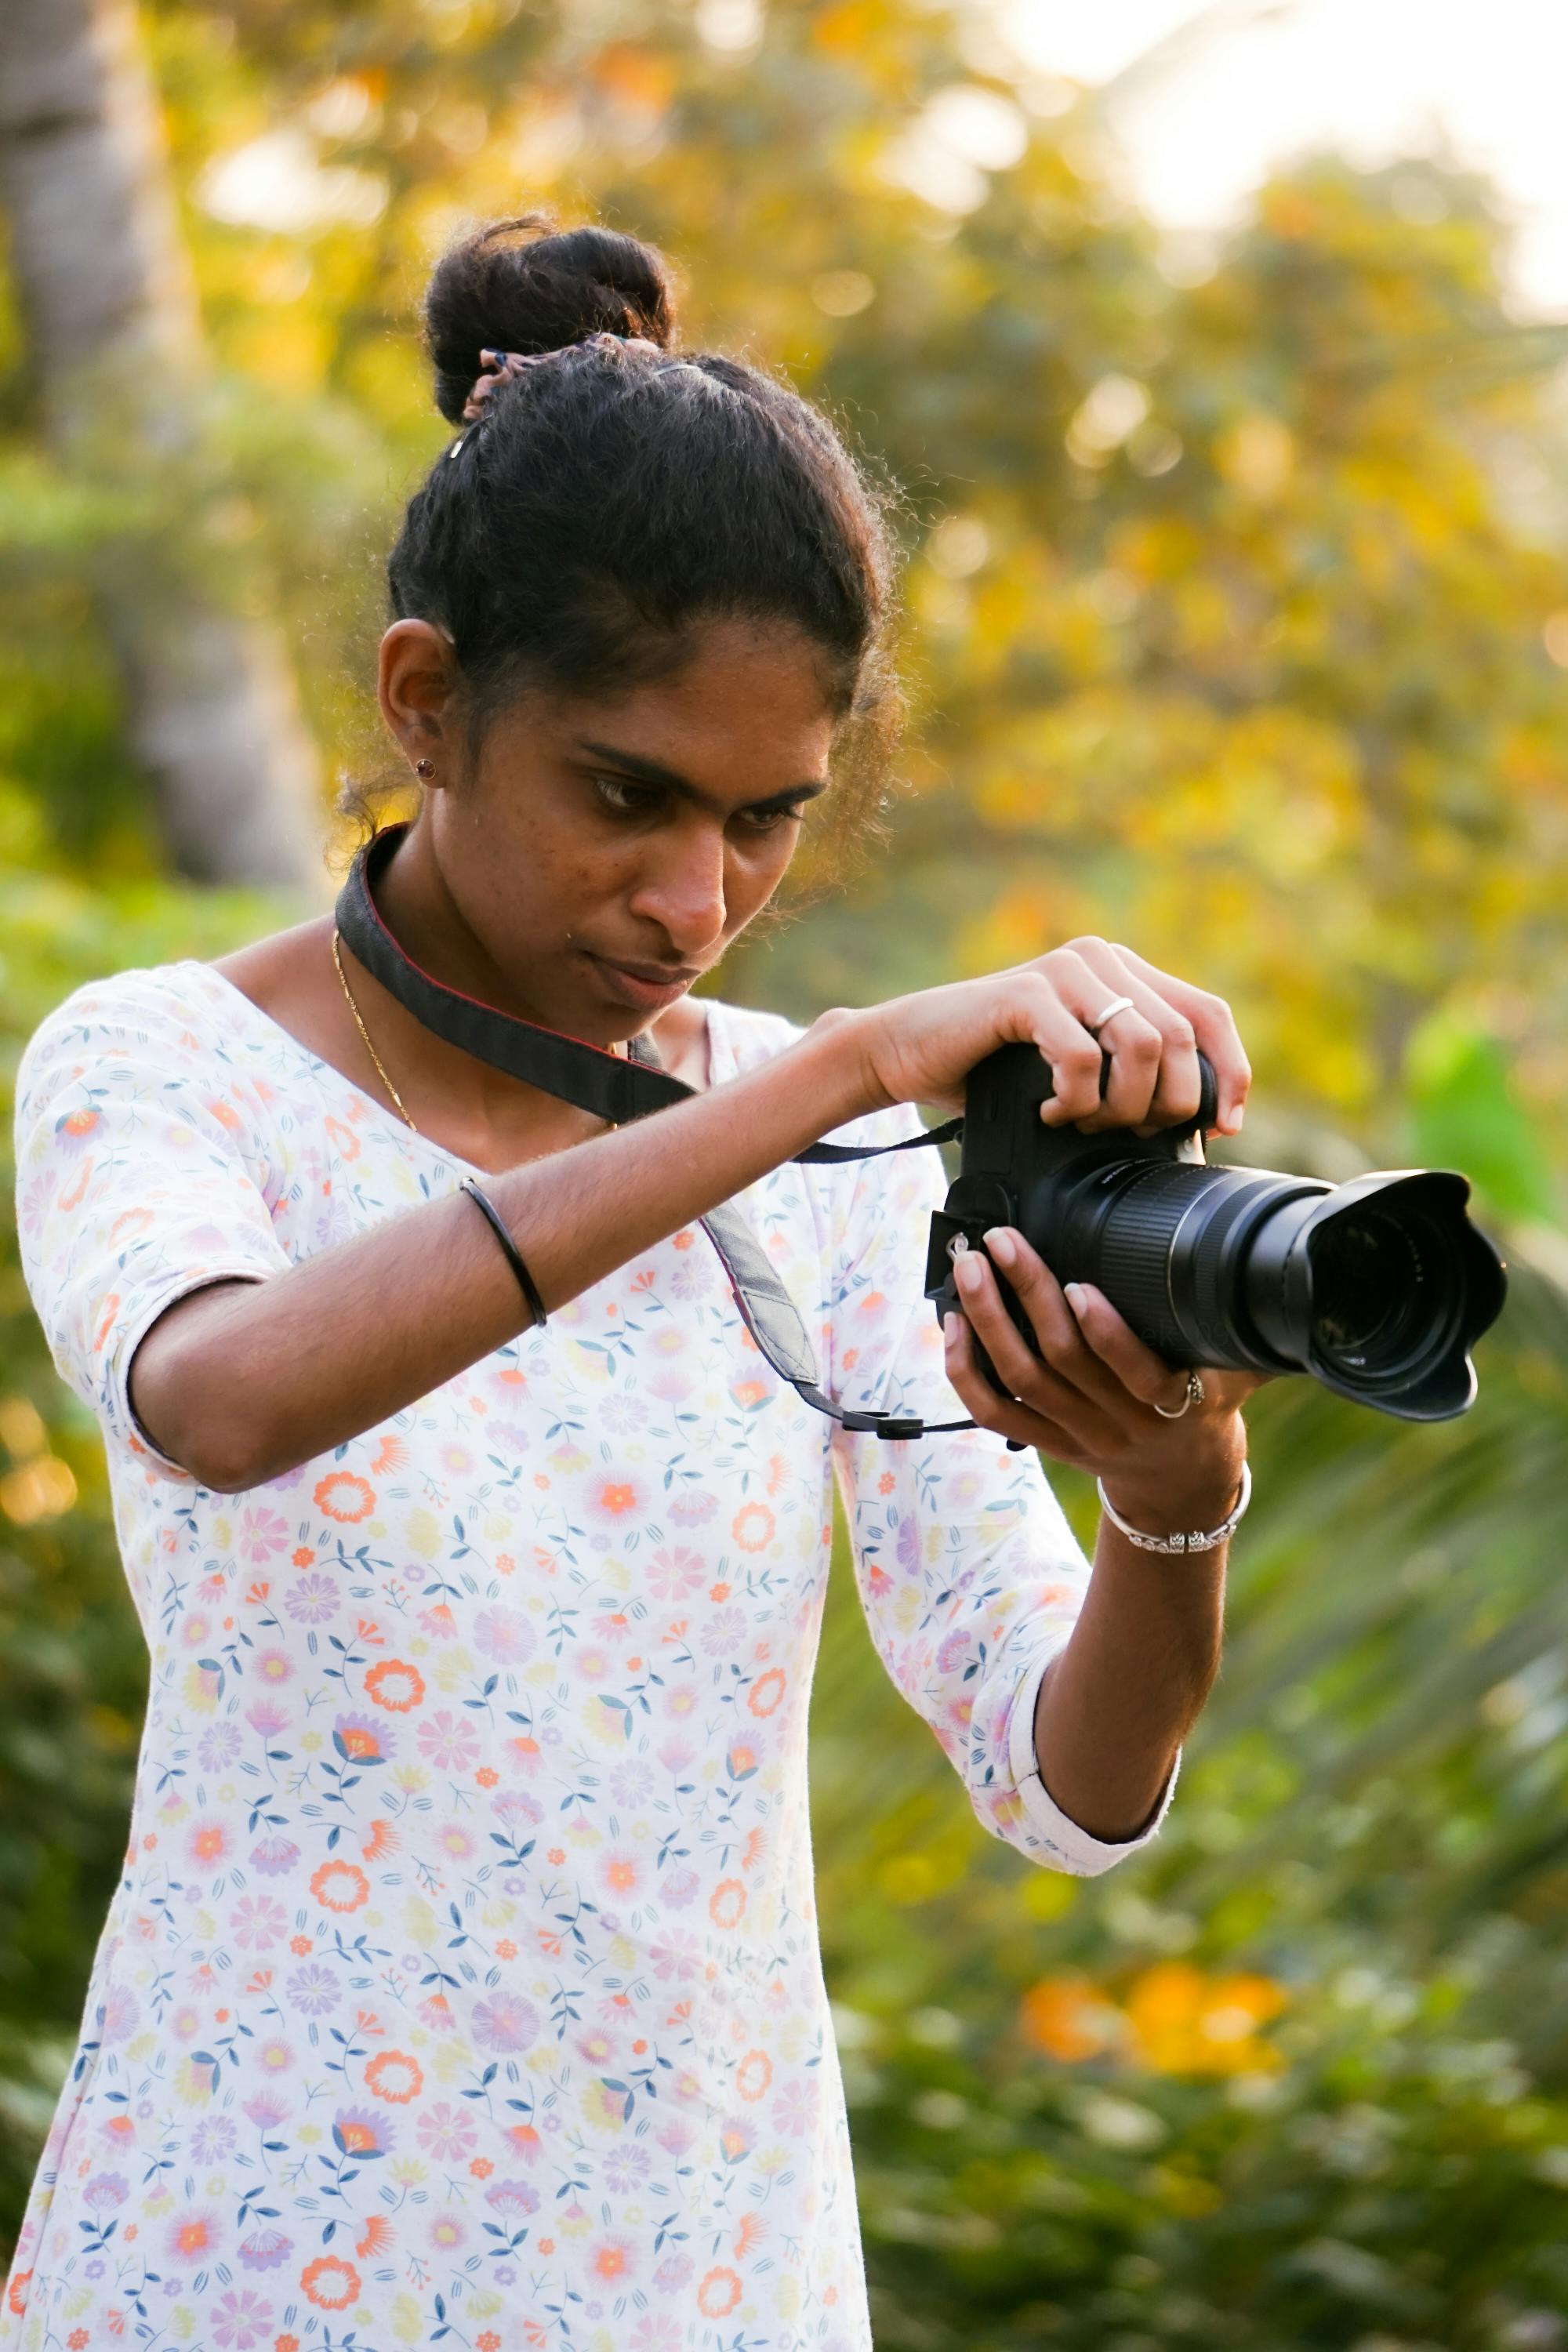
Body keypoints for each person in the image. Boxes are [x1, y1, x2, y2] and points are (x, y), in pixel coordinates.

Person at [5, 215, 1259, 2352]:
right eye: (628, 797)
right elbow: (221, 1400)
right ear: (428, 700)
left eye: (768, 820)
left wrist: (1172, 1485)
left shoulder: (830, 1156)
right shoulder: (157, 1063)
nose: (699, 903)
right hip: (238, 2264)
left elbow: (1067, 1782)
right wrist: (843, 1072)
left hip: (702, 2272)